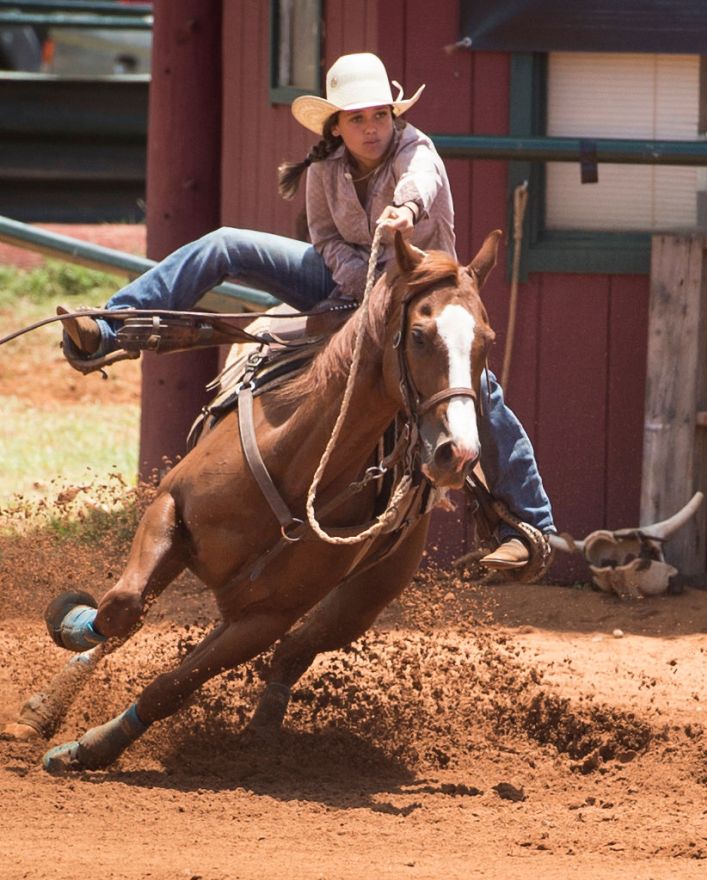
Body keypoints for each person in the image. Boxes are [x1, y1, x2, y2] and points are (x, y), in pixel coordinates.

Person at [59, 52, 552, 571]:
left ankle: (529, 526)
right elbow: (325, 240)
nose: (371, 128)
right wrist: (352, 286)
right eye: (357, 118)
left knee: (474, 390)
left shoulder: (417, 152)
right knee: (226, 244)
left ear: (394, 116)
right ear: (336, 126)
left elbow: (421, 185)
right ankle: (113, 327)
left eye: (380, 115)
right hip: (345, 283)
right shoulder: (325, 170)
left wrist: (403, 214)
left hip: (420, 293)